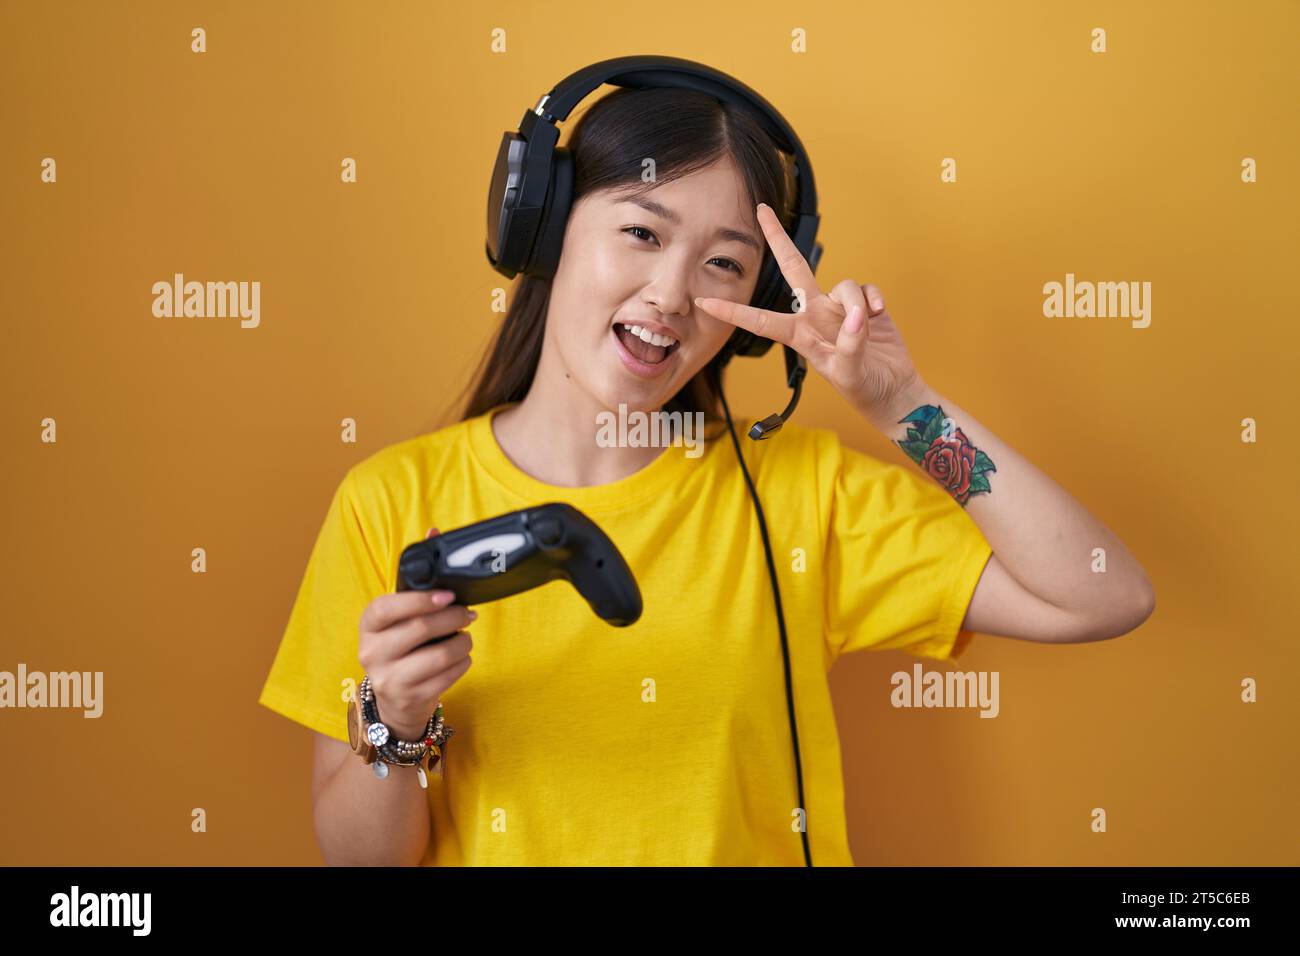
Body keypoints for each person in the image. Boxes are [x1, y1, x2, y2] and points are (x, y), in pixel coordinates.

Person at [258, 84, 1155, 867]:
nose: (672, 293)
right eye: (642, 232)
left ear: (756, 304)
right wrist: (398, 723)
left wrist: (901, 406)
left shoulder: (806, 496)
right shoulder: (388, 503)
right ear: (542, 228)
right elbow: (363, 859)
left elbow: (1101, 595)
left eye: (723, 262)